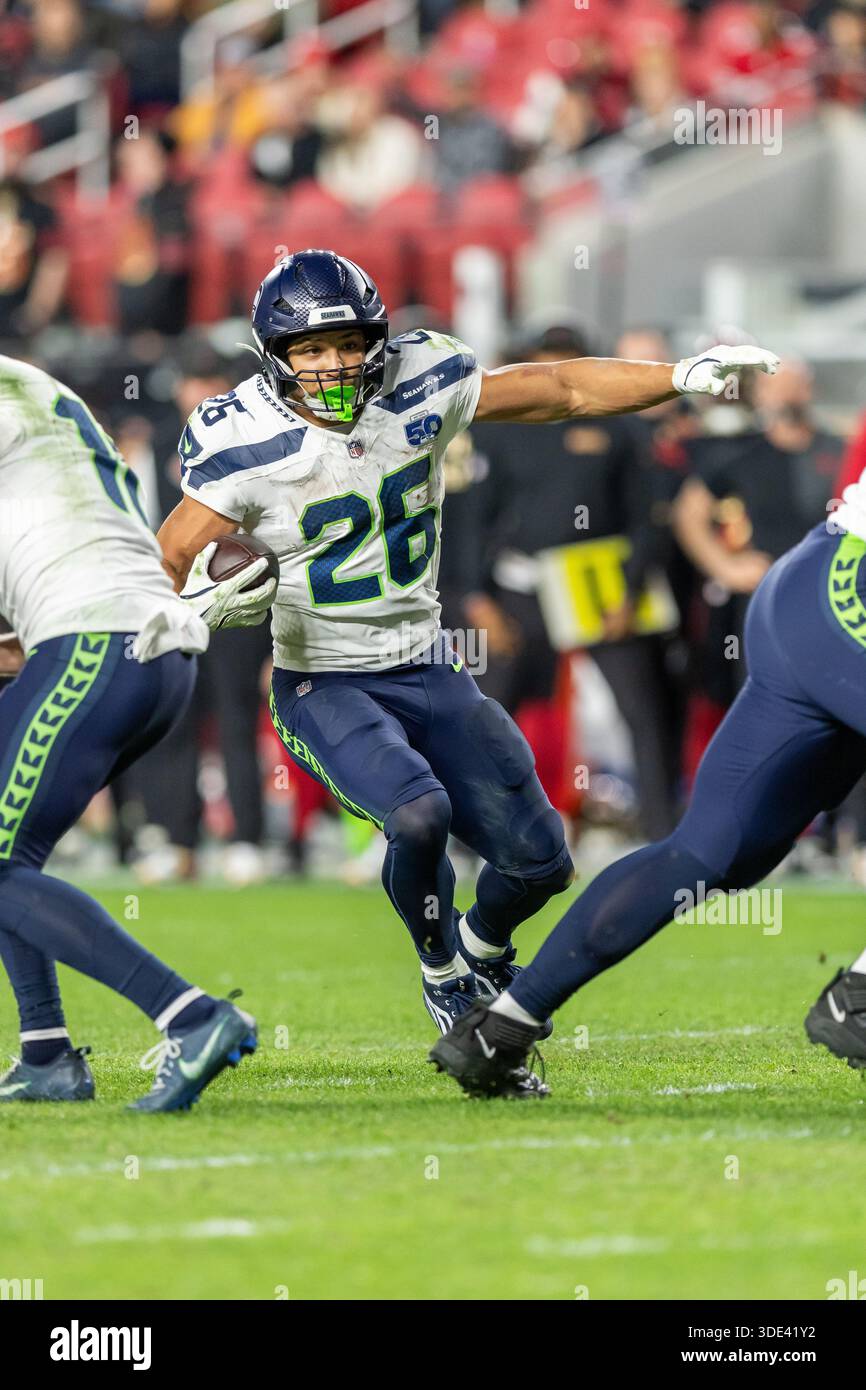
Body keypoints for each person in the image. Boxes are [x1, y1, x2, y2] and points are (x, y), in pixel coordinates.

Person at [157, 247, 778, 1033]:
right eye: (311, 349)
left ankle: (482, 947)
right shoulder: (241, 438)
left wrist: (679, 375)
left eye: (349, 343)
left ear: (378, 339)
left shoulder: (423, 378)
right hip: (326, 681)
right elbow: (172, 556)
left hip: (429, 664)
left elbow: (561, 387)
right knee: (419, 817)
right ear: (276, 356)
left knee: (543, 863)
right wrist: (191, 614)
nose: (335, 364)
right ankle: (442, 970)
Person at [429, 409, 866, 1096]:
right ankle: (860, 1000)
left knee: (714, 852)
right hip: (848, 596)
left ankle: (500, 1028)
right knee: (708, 849)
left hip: (813, 592)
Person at [0, 355, 266, 1109]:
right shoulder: (28, 388)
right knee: (9, 860)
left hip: (98, 642)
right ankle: (46, 1053)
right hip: (141, 648)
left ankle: (193, 1017)